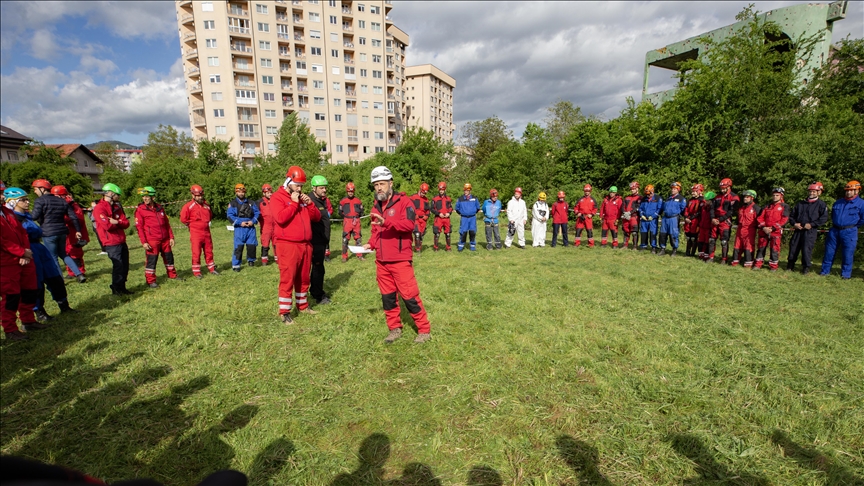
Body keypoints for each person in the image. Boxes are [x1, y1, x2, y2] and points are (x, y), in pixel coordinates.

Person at [362, 166, 431, 344]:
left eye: (382, 184)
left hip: (400, 260)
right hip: (381, 262)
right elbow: (375, 232)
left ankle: (424, 330)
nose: (379, 188)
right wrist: (369, 244)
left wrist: (387, 222)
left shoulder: (405, 202)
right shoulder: (375, 206)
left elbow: (409, 225)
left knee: (410, 296)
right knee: (388, 298)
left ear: (391, 183)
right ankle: (394, 329)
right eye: (376, 185)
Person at [8, 190, 75, 322]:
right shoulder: (13, 219)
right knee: (36, 281)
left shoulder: (27, 216)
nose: (27, 202)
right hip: (28, 250)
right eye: (23, 200)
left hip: (40, 248)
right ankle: (39, 311)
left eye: (27, 199)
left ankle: (63, 304)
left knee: (54, 276)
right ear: (13, 202)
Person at [270, 166, 320, 323]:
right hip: (288, 244)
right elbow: (280, 218)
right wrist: (293, 203)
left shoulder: (302, 198)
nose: (299, 188)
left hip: (305, 244)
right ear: (288, 182)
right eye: (297, 185)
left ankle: (303, 305)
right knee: (288, 277)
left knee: (304, 277)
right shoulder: (277, 197)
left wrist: (310, 204)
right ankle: (284, 311)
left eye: (301, 185)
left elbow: (316, 218)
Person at [2, 186, 49, 340]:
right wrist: (20, 252)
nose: (2, 196)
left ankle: (28, 320)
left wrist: (26, 252)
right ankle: (10, 329)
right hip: (6, 262)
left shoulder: (7, 212)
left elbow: (22, 232)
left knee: (30, 290)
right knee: (11, 296)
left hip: (24, 257)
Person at [29, 179, 86, 283]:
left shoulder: (40, 201)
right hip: (62, 232)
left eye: (35, 189)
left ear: (42, 189)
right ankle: (79, 274)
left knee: (53, 257)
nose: (34, 191)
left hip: (48, 233)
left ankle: (60, 280)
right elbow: (73, 217)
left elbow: (34, 216)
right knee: (64, 254)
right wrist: (78, 230)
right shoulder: (62, 201)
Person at [134, 187, 178, 288]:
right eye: (143, 197)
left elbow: (167, 224)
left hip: (165, 239)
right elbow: (139, 228)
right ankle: (151, 281)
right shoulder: (140, 210)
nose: (144, 198)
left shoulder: (160, 208)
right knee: (152, 260)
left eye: (147, 196)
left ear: (153, 197)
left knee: (169, 258)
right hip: (152, 240)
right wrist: (144, 242)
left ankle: (172, 275)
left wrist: (171, 237)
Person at [93, 183, 132, 295]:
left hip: (121, 241)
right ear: (110, 193)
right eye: (117, 195)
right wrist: (118, 223)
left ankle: (122, 287)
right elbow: (107, 226)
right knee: (118, 266)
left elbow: (126, 223)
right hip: (111, 242)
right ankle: (116, 287)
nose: (118, 197)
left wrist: (117, 222)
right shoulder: (99, 208)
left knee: (125, 266)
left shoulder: (116, 207)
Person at [820, 180, 864, 279]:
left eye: (851, 190)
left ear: (857, 191)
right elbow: (833, 215)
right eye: (847, 190)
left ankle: (845, 274)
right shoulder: (838, 202)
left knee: (847, 253)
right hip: (834, 230)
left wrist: (852, 227)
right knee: (829, 252)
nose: (848, 192)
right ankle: (824, 271)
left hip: (850, 231)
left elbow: (862, 219)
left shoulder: (861, 204)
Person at [786, 182, 828, 274]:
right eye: (810, 191)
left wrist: (812, 224)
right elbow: (792, 216)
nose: (811, 193)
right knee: (793, 247)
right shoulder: (800, 203)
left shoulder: (821, 204)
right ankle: (790, 266)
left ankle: (806, 267)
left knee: (806, 249)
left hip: (810, 231)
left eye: (814, 191)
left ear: (819, 192)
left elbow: (823, 218)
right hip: (798, 230)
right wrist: (794, 224)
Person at [180, 184, 219, 278]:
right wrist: (192, 225)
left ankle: (212, 268)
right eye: (198, 196)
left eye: (201, 195)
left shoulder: (207, 206)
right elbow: (183, 219)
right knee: (196, 252)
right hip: (196, 233)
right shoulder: (188, 206)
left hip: (206, 232)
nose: (200, 197)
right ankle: (197, 272)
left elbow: (210, 216)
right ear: (193, 195)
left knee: (209, 250)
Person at [308, 175, 332, 305]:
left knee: (319, 268)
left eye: (325, 187)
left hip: (322, 240)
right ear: (314, 188)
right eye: (321, 188)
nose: (324, 190)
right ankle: (317, 294)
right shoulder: (309, 201)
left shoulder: (321, 201)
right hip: (314, 241)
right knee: (317, 268)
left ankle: (315, 290)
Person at [754, 187, 790, 271]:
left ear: (781, 196)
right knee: (761, 248)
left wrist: (773, 228)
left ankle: (773, 266)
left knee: (774, 249)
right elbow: (760, 217)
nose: (775, 197)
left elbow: (784, 219)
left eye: (777, 195)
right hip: (764, 231)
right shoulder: (767, 206)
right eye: (773, 195)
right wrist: (763, 227)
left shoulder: (785, 206)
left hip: (776, 231)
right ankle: (758, 264)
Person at [227, 183, 260, 271]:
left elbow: (257, 213)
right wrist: (239, 223)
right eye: (239, 192)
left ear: (245, 192)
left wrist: (252, 221)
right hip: (239, 228)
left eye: (242, 192)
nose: (241, 193)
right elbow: (230, 215)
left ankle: (251, 260)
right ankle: (236, 265)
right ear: (236, 192)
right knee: (238, 247)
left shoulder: (251, 202)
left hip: (250, 228)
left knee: (251, 245)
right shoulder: (233, 204)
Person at [707, 178, 740, 264]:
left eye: (723, 188)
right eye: (721, 188)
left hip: (725, 221)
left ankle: (724, 259)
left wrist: (720, 219)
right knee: (711, 239)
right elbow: (712, 208)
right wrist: (712, 218)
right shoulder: (717, 197)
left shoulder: (734, 197)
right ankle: (710, 257)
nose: (721, 190)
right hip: (715, 220)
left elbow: (731, 211)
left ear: (729, 187)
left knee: (724, 241)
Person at [62, 189, 89, 277]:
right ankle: (71, 272)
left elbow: (79, 220)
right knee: (67, 253)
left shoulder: (73, 206)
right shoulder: (61, 204)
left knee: (75, 253)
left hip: (74, 234)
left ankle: (80, 271)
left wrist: (65, 219)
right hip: (65, 234)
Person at [730, 190, 761, 268]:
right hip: (740, 229)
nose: (745, 198)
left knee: (748, 246)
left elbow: (760, 220)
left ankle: (748, 263)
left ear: (752, 198)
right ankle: (735, 261)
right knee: (737, 245)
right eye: (744, 197)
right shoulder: (741, 208)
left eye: (747, 197)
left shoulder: (756, 208)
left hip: (750, 230)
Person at [658, 182, 688, 256]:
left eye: (674, 189)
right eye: (672, 189)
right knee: (662, 234)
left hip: (674, 218)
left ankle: (674, 250)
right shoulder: (668, 198)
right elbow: (663, 207)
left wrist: (684, 217)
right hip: (665, 218)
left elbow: (683, 209)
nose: (672, 190)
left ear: (678, 190)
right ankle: (662, 249)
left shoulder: (681, 199)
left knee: (673, 234)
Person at [339, 182, 365, 262]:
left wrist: (357, 217)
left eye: (352, 191)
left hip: (356, 221)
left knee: (358, 239)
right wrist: (347, 217)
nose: (350, 193)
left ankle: (359, 255)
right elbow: (340, 212)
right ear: (347, 191)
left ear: (354, 191)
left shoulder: (358, 200)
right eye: (349, 191)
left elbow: (362, 210)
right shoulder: (343, 201)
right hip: (347, 221)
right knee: (345, 239)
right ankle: (344, 256)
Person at [455, 183, 481, 252]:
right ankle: (461, 245)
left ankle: (472, 245)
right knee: (463, 232)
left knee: (472, 231)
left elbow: (478, 208)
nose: (466, 192)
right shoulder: (460, 199)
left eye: (467, 190)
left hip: (472, 218)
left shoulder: (474, 198)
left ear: (470, 191)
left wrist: (472, 213)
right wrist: (462, 213)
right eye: (465, 190)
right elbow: (457, 208)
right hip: (464, 218)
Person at [639, 184, 662, 253]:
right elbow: (640, 208)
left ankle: (653, 247)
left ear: (652, 192)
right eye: (647, 194)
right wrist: (641, 215)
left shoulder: (658, 198)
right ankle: (643, 246)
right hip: (644, 219)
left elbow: (659, 209)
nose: (648, 195)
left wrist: (653, 216)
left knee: (653, 233)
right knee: (643, 233)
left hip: (653, 220)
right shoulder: (644, 199)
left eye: (649, 194)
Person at [431, 182, 454, 251]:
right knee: (437, 234)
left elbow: (450, 208)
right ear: (438, 189)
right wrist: (438, 213)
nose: (441, 191)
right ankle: (435, 248)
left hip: (446, 219)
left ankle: (448, 248)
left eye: (442, 190)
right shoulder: (435, 199)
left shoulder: (448, 199)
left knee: (448, 234)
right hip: (438, 218)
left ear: (445, 190)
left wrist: (449, 213)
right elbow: (432, 209)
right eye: (440, 189)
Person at [683, 184, 704, 257]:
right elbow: (686, 209)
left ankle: (693, 252)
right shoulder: (690, 200)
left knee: (694, 237)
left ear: (699, 191)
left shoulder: (701, 200)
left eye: (694, 191)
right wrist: (686, 217)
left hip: (696, 220)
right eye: (692, 191)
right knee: (688, 236)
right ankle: (687, 252)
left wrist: (691, 218)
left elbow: (700, 212)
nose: (693, 193)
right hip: (688, 220)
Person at [409, 183, 431, 252]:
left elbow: (428, 210)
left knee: (421, 234)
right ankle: (417, 249)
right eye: (422, 193)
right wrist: (413, 215)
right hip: (416, 219)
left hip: (423, 219)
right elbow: (409, 208)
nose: (423, 194)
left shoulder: (426, 200)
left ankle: (419, 246)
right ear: (420, 190)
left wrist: (427, 216)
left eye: (425, 193)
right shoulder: (413, 197)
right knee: (417, 233)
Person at [258, 183, 275, 265]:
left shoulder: (275, 201)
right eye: (268, 193)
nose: (270, 194)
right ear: (264, 193)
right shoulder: (259, 202)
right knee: (265, 243)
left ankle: (277, 259)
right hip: (265, 226)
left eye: (271, 192)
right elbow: (255, 213)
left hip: (275, 225)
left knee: (276, 243)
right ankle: (264, 260)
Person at [621, 182, 641, 250]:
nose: (632, 190)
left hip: (634, 217)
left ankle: (635, 246)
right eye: (631, 189)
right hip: (626, 217)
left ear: (637, 189)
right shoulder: (627, 197)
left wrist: (630, 212)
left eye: (633, 189)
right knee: (626, 231)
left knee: (634, 232)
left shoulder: (640, 198)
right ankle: (625, 245)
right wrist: (624, 212)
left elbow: (638, 207)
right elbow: (623, 206)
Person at [698, 192, 716, 260]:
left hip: (709, 227)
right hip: (702, 227)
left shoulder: (713, 209)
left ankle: (707, 255)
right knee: (701, 242)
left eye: (707, 200)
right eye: (706, 200)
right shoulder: (703, 207)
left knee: (707, 242)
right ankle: (701, 254)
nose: (706, 202)